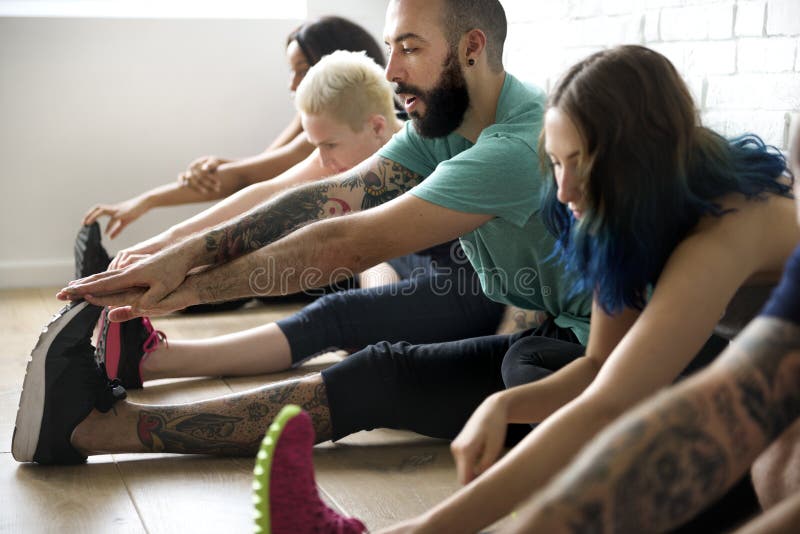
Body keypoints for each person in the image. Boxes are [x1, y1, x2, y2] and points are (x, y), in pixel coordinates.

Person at [242, 47, 800, 534]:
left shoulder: (725, 228)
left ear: (640, 153)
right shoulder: (626, 211)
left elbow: (609, 401)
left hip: (771, 378)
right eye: (555, 163)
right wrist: (503, 405)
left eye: (581, 163)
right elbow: (598, 363)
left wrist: (432, 525)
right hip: (761, 370)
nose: (563, 189)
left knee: (766, 475)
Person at [19, 0, 596, 468]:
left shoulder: (514, 147)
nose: (391, 69)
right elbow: (324, 198)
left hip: (586, 355)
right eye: (391, 46)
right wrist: (178, 254)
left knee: (377, 363)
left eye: (410, 48)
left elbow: (345, 242)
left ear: (473, 47)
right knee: (377, 373)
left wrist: (186, 289)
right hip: (552, 333)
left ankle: (106, 422)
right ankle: (96, 429)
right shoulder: (441, 127)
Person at [93, 49, 505, 387]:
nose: (322, 159)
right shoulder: (349, 147)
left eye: (329, 145)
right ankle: (371, 330)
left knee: (333, 313)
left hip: (471, 289)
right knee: (353, 278)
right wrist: (163, 244)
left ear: (378, 126)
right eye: (315, 145)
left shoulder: (417, 157)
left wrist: (368, 310)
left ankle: (153, 362)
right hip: (415, 264)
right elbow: (270, 193)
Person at [81, 16, 387, 239]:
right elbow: (263, 167)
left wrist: (147, 201)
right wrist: (217, 166)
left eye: (303, 72)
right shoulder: (314, 118)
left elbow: (249, 177)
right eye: (291, 72)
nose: (293, 85)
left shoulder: (346, 121)